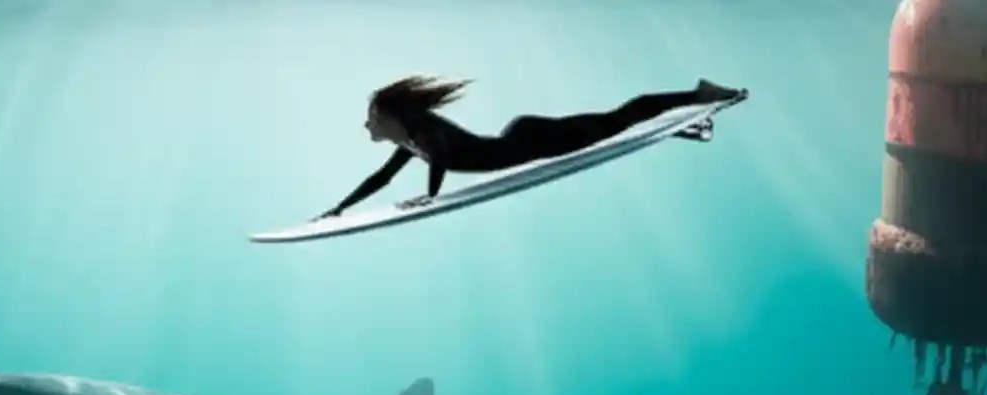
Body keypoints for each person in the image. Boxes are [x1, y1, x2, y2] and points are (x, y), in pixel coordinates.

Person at [314, 75, 747, 220]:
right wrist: (339, 208)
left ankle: (697, 94)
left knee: (618, 120)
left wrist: (430, 197)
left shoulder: (424, 133)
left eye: (372, 117)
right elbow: (381, 179)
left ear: (392, 117)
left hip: (532, 140)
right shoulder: (411, 142)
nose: (366, 125)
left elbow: (443, 156)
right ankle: (678, 127)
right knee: (615, 126)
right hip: (522, 140)